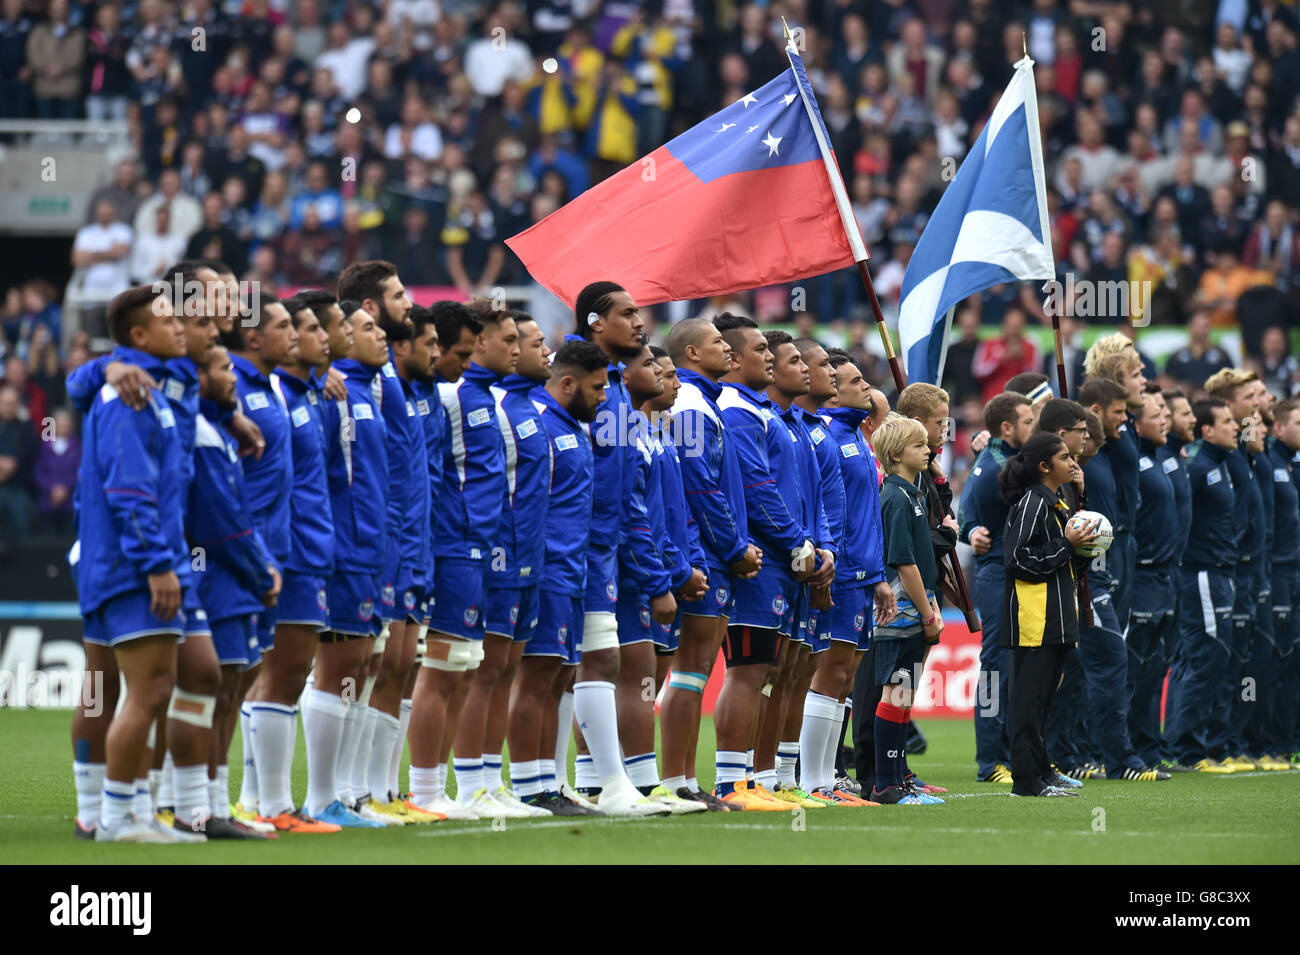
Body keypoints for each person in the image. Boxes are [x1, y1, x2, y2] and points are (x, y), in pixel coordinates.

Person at [76, 285, 187, 842]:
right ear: (138, 336)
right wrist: (157, 564)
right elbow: (130, 490)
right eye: (168, 318)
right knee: (147, 691)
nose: (181, 325)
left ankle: (132, 812)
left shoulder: (149, 388)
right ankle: (118, 818)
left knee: (145, 690)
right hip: (130, 567)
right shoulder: (130, 395)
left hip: (119, 563)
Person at [565, 282, 673, 817]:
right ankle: (586, 784)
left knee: (599, 664)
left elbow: (628, 498)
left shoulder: (616, 397)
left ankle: (608, 784)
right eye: (627, 313)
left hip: (607, 555)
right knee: (562, 666)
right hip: (575, 554)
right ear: (594, 322)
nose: (640, 322)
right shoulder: (573, 388)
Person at [408, 306, 520, 818]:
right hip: (451, 548)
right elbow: (431, 476)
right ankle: (422, 790)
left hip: (476, 551)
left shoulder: (481, 399)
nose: (515, 349)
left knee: (465, 669)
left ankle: (448, 789)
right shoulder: (449, 397)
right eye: (508, 339)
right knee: (440, 670)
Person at [710, 314, 813, 812]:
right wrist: (797, 543)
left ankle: (755, 779)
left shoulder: (759, 411)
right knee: (748, 671)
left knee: (768, 672)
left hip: (781, 559)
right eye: (760, 350)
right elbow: (757, 488)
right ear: (731, 357)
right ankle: (730, 782)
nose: (769, 357)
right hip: (761, 559)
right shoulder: (736, 411)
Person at [658, 317, 756, 811]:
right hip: (705, 557)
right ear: (692, 353)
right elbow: (700, 488)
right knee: (687, 672)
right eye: (719, 342)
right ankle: (673, 780)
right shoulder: (692, 406)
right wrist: (734, 547)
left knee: (692, 673)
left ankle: (682, 780)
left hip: (710, 554)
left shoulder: (703, 403)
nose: (729, 349)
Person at [507, 341, 609, 816]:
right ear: (567, 384)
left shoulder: (571, 426)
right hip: (545, 572)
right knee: (537, 678)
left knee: (561, 679)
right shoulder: (540, 425)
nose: (604, 397)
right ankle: (528, 785)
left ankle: (551, 782)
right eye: (597, 388)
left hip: (574, 573)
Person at [305, 301, 391, 829]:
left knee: (361, 668)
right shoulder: (329, 391)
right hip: (336, 551)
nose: (376, 333)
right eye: (360, 327)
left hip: (368, 550)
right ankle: (320, 797)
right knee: (324, 670)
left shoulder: (364, 390)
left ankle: (348, 792)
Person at [615, 344, 708, 813]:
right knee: (623, 680)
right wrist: (664, 574)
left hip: (666, 572)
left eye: (671, 372)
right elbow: (638, 518)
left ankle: (643, 781)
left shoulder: (663, 436)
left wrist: (685, 566)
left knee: (647, 679)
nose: (672, 381)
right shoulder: (627, 433)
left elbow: (677, 514)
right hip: (639, 575)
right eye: (661, 371)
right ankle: (613, 781)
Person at [805, 354, 896, 804]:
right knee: (828, 675)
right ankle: (813, 781)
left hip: (862, 577)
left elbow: (865, 519)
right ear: (832, 389)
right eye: (856, 380)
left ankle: (828, 780)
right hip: (839, 575)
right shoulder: (824, 437)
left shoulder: (857, 438)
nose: (866, 385)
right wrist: (833, 568)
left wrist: (877, 576)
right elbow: (829, 515)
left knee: (843, 681)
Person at [474, 312, 554, 816]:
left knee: (503, 672)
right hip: (497, 560)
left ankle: (493, 782)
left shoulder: (529, 408)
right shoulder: (500, 405)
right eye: (531, 342)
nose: (543, 351)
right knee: (485, 672)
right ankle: (473, 784)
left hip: (529, 560)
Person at [999, 433, 1096, 798]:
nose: (1073, 462)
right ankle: (1025, 782)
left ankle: (1042, 770)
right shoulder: (1032, 504)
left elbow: (1067, 561)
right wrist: (1066, 546)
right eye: (1065, 457)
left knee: (1044, 702)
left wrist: (1084, 546)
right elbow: (1018, 560)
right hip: (1034, 619)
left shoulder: (1056, 502)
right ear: (1044, 466)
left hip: (1057, 616)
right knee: (1028, 702)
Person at [957, 391, 1034, 783]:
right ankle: (990, 761)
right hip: (998, 576)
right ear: (1007, 427)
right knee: (995, 669)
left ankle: (1015, 755)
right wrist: (971, 531)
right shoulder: (995, 464)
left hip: (1015, 575)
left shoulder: (998, 459)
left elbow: (966, 509)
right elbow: (966, 509)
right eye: (1029, 421)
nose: (1035, 427)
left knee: (1017, 670)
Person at [867, 415, 944, 806]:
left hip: (917, 605)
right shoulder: (895, 497)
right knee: (895, 691)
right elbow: (904, 563)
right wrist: (927, 613)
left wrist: (931, 603)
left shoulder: (912, 493)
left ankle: (898, 779)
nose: (928, 449)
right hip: (900, 610)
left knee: (904, 693)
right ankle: (887, 783)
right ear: (896, 455)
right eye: (919, 446)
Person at [1162, 397, 1240, 773]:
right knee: (1204, 658)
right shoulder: (1198, 466)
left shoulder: (1221, 464)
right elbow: (1177, 517)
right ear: (1208, 430)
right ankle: (1186, 749)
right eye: (1228, 421)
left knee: (1210, 658)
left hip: (1222, 572)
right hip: (1203, 573)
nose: (1236, 427)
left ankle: (1197, 743)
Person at [1202, 368, 1266, 769]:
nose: (1260, 402)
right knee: (1220, 661)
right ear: (1229, 404)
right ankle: (1212, 744)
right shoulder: (1221, 458)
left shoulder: (1247, 453)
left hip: (1250, 568)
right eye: (1251, 396)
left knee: (1245, 663)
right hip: (1228, 568)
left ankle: (1234, 742)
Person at [1126, 387, 1178, 769]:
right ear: (1135, 423)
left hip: (1164, 579)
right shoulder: (1133, 462)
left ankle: (1149, 747)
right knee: (1134, 669)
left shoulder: (1162, 459)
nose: (1166, 419)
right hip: (1141, 578)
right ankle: (1120, 749)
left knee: (1154, 668)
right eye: (1157, 413)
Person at [1264, 400, 1300, 767]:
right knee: (1274, 657)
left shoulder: (1292, 464)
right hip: (1275, 572)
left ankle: (1288, 737)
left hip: (1294, 570)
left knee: (1292, 659)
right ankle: (1267, 741)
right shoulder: (1269, 464)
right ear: (1279, 428)